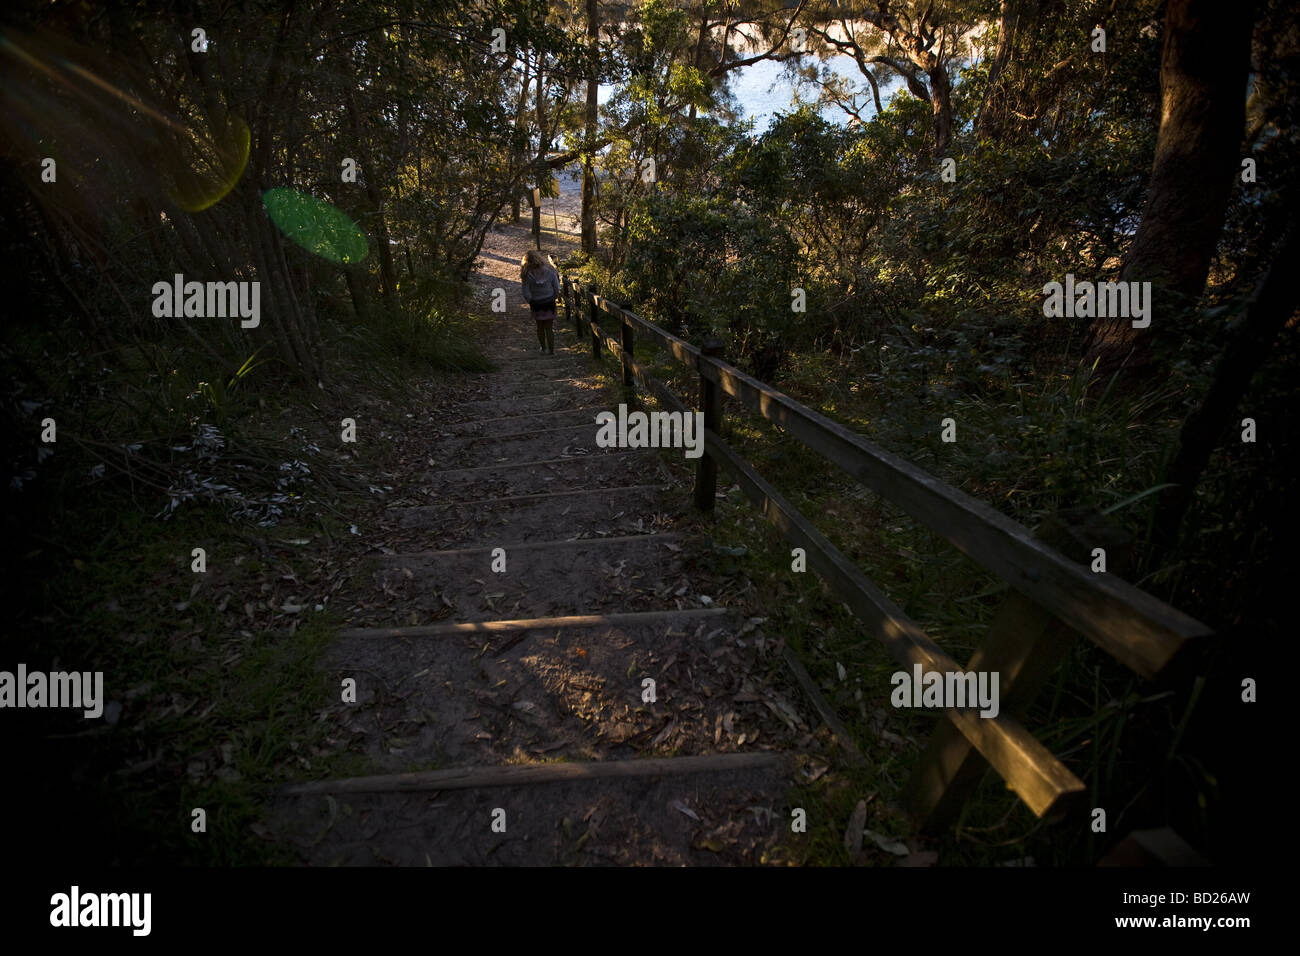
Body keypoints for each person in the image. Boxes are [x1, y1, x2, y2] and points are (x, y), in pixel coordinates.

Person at [520, 249, 559, 354]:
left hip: (536, 303)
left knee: (540, 327)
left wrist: (530, 300)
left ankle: (543, 347)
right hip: (549, 302)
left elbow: (525, 291)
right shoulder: (550, 271)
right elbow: (556, 287)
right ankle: (551, 350)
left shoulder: (526, 274)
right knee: (549, 328)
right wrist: (553, 297)